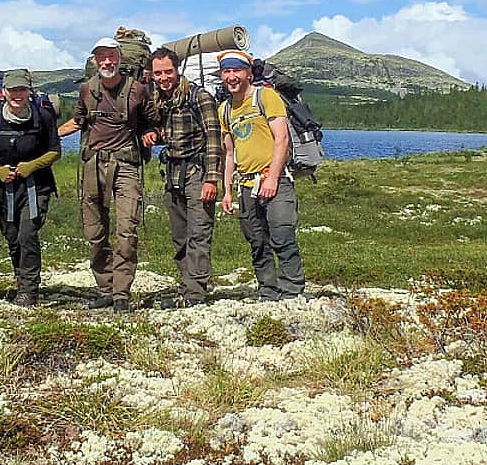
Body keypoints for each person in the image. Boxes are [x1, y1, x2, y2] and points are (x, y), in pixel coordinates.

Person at [57, 36, 158, 313]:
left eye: (111, 56)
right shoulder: (86, 90)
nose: (107, 61)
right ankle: (105, 288)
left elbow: (152, 121)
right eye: (102, 57)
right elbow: (79, 120)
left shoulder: (137, 90)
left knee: (127, 229)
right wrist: (51, 137)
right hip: (93, 165)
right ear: (95, 61)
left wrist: (150, 133)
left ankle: (121, 293)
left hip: (126, 164)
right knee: (94, 230)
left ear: (119, 58)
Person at [217, 50, 306, 302]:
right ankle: (267, 291)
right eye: (226, 71)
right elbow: (229, 152)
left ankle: (292, 293)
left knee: (282, 237)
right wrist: (227, 191)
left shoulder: (265, 96)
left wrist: (272, 178)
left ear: (247, 73)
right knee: (257, 242)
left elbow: (282, 139)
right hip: (246, 185)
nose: (231, 77)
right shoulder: (225, 109)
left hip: (275, 181)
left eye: (236, 71)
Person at [143, 47, 223, 307]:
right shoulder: (157, 99)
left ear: (177, 70)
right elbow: (157, 126)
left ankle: (196, 293)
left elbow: (214, 138)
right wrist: (152, 134)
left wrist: (212, 179)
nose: (164, 77)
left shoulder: (199, 97)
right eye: (158, 73)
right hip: (173, 173)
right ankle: (186, 284)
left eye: (168, 71)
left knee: (198, 232)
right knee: (179, 235)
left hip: (198, 173)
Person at [0, 69, 60, 307]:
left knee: (28, 235)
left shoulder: (43, 116)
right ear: (4, 92)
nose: (17, 95)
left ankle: (28, 290)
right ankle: (20, 278)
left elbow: (55, 151)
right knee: (12, 236)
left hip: (37, 186)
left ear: (29, 91)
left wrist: (31, 166)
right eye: (12, 90)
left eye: (22, 90)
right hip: (3, 187)